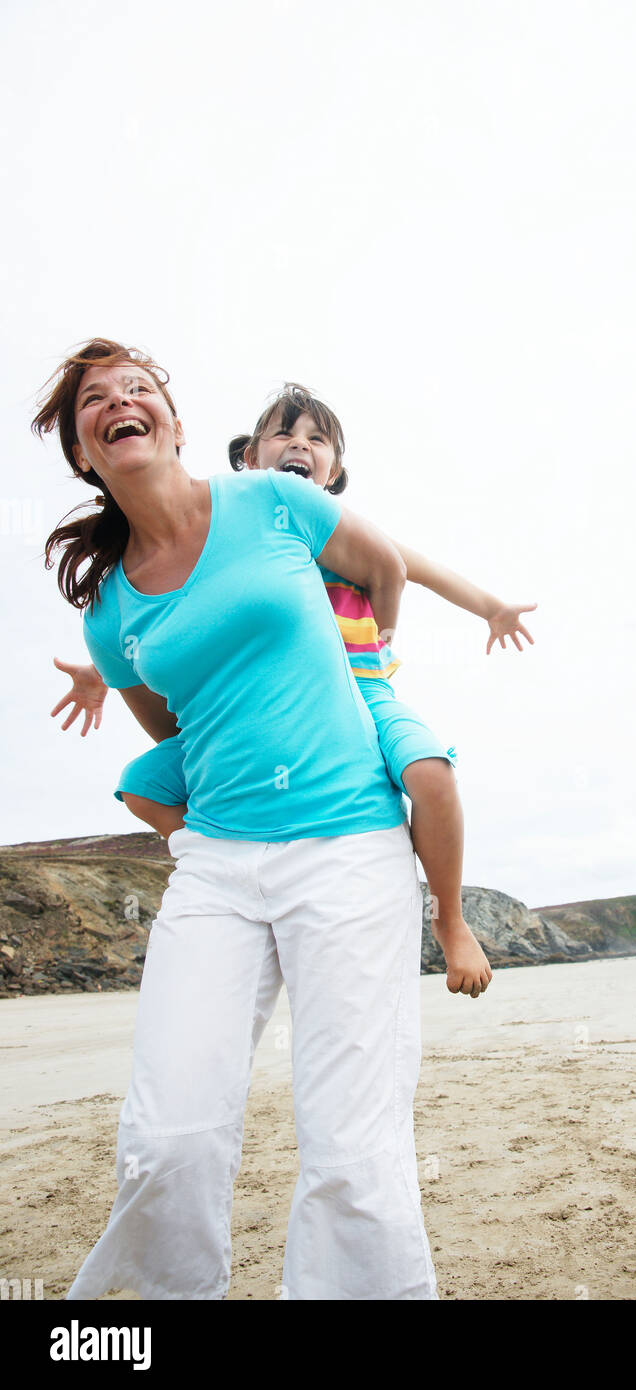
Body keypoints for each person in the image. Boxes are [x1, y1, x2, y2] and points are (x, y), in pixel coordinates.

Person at [36, 338, 443, 1300]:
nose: (121, 402)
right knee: (167, 1138)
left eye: (140, 388)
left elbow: (384, 568)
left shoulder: (273, 504)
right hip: (218, 865)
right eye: (96, 400)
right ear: (84, 451)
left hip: (348, 846)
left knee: (352, 1151)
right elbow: (176, 730)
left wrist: (367, 672)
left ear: (175, 426)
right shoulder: (111, 614)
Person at [51, 382, 535, 996]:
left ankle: (451, 921)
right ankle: (209, 851)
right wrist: (99, 674)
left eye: (316, 439)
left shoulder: (339, 532)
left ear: (334, 472)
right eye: (283, 434)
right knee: (141, 786)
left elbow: (412, 570)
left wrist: (476, 613)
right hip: (247, 723)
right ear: (248, 459)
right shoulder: (240, 533)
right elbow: (167, 625)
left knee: (432, 773)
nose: (298, 445)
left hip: (361, 693)